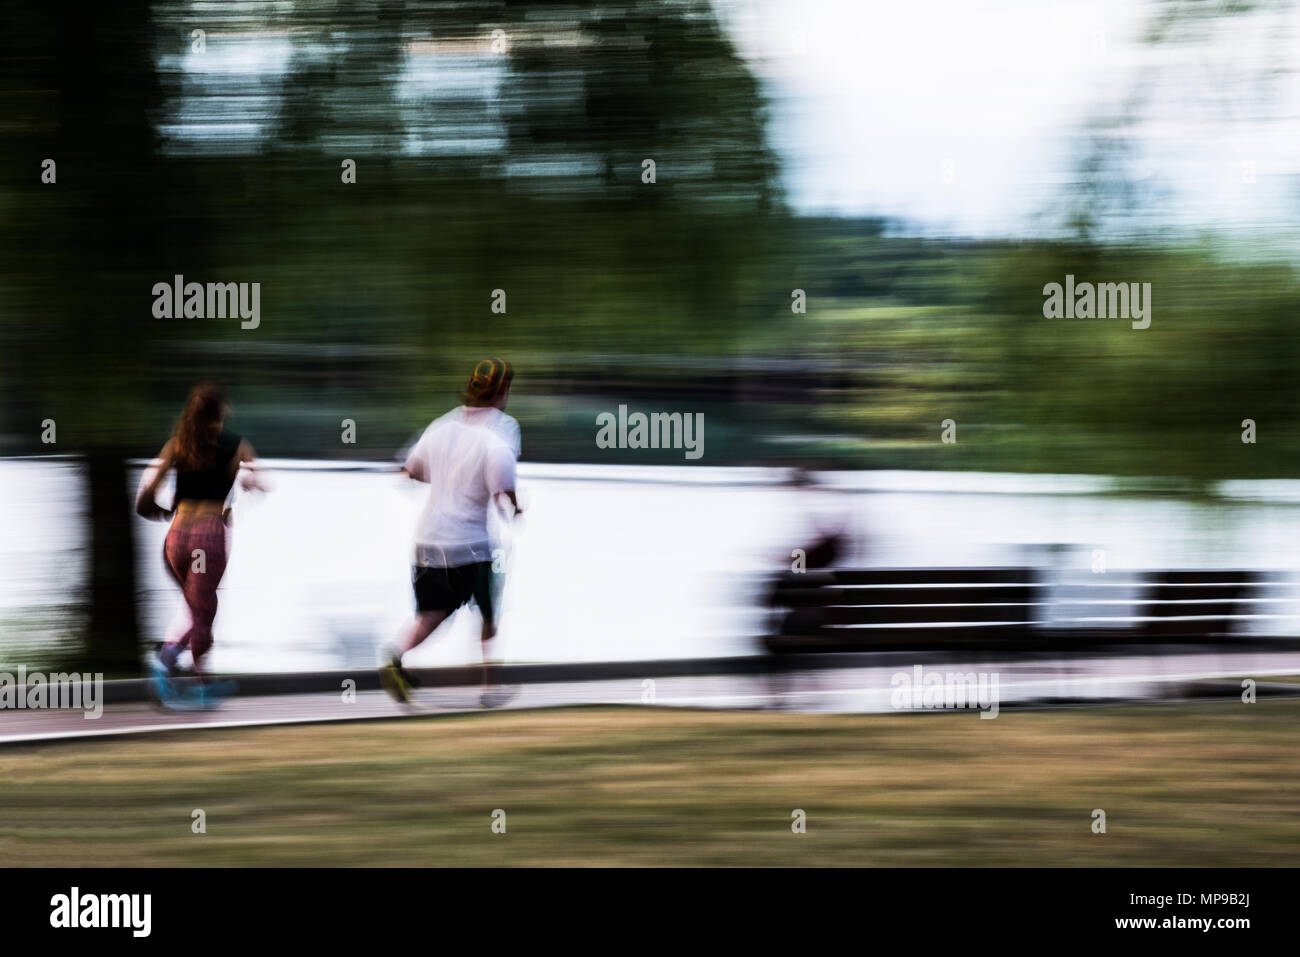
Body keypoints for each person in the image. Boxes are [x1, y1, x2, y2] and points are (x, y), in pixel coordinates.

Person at [381, 358, 522, 708]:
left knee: (430, 613)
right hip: (472, 546)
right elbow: (500, 482)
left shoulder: (441, 425)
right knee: (489, 615)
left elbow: (409, 470)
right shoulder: (502, 430)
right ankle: (490, 691)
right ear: (503, 391)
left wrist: (446, 479)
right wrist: (514, 506)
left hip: (427, 540)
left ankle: (396, 656)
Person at [135, 382, 265, 702]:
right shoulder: (237, 444)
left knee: (198, 608)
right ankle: (186, 673)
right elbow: (261, 481)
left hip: (176, 538)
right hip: (207, 539)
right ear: (221, 412)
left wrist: (162, 511)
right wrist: (246, 483)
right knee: (205, 610)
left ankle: (189, 670)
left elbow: (146, 496)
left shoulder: (178, 444)